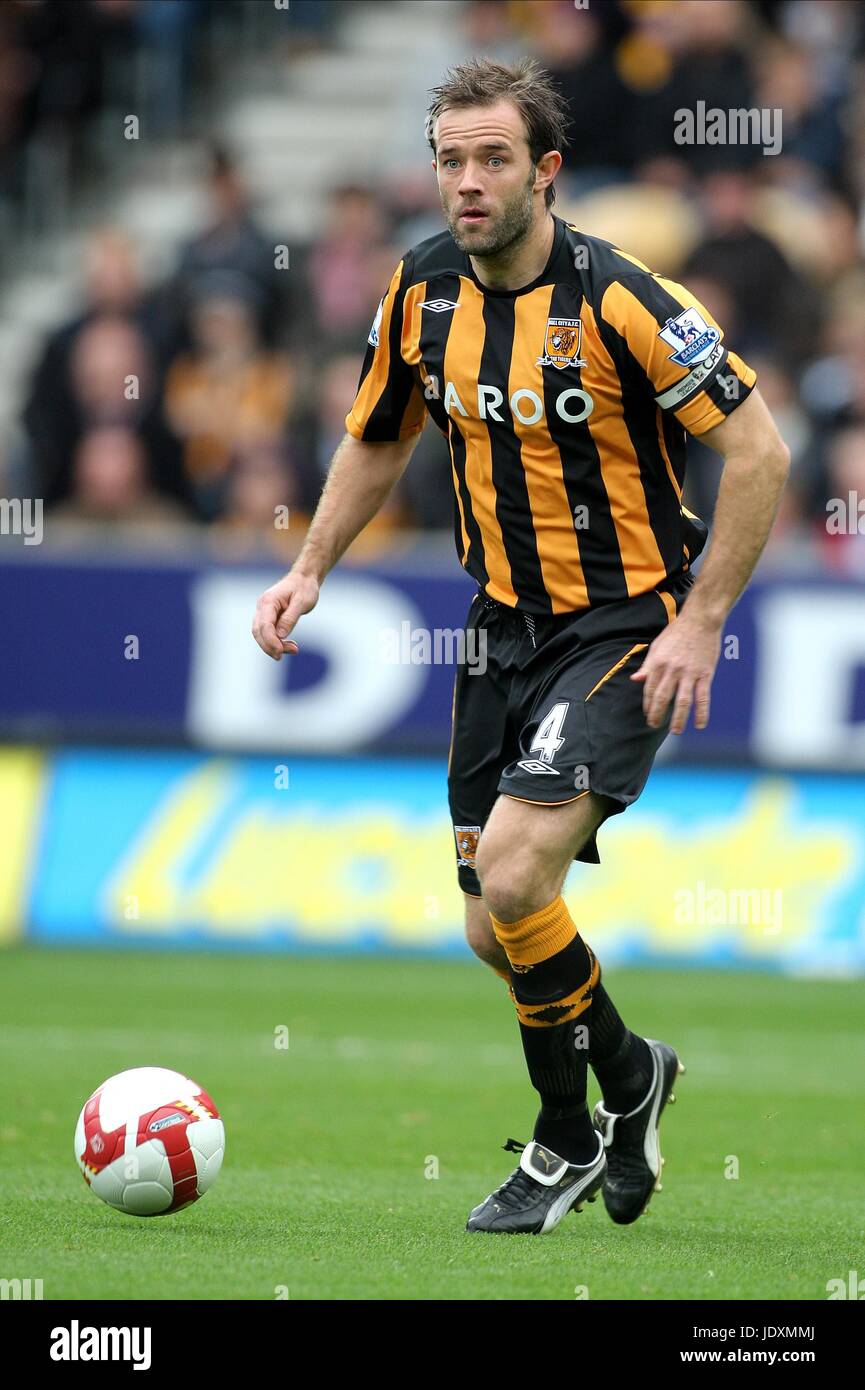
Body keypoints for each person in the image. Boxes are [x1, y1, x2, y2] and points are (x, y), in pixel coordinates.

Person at [251, 57, 790, 1235]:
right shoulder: (421, 288)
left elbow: (759, 453)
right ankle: (633, 1071)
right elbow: (377, 436)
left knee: (511, 875)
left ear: (546, 172)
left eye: (493, 157)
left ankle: (559, 1142)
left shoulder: (625, 299)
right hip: (498, 632)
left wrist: (701, 621)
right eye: (450, 158)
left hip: (626, 623)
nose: (467, 181)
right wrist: (309, 567)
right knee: (489, 925)